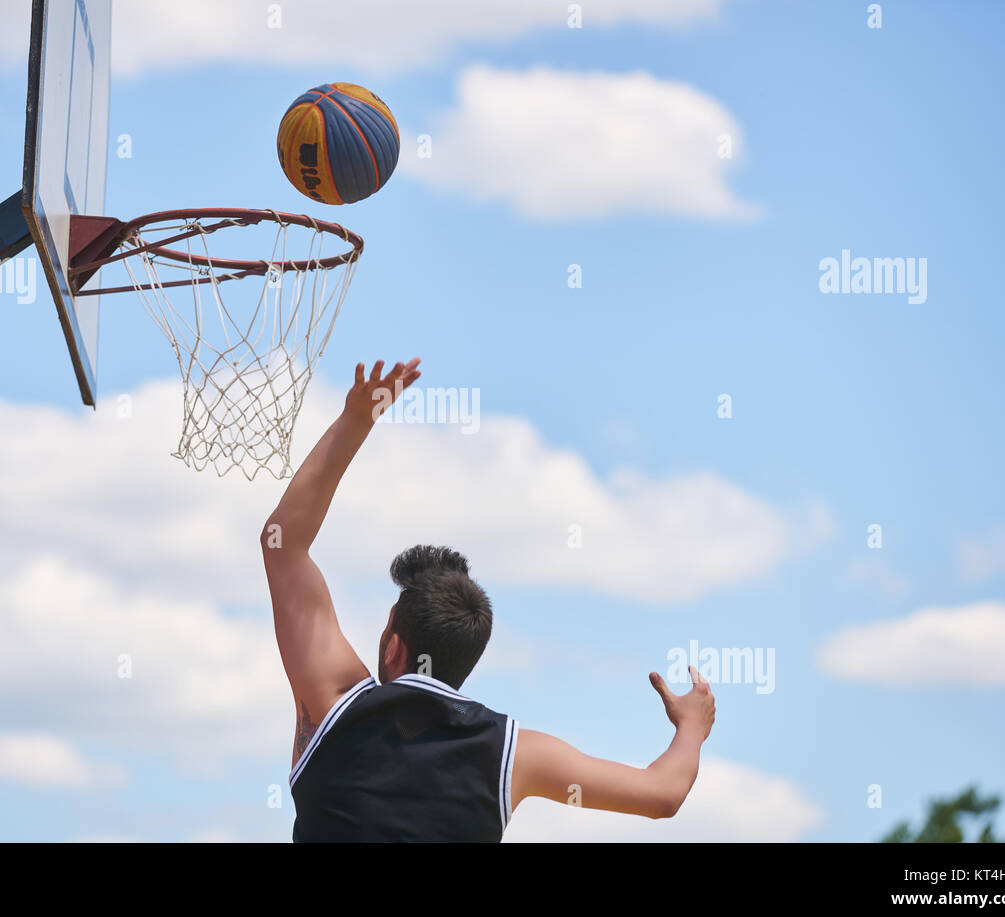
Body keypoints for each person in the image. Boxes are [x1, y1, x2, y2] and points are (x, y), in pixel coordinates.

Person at [261, 357, 716, 842]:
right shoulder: (513, 753)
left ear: (394, 644)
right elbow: (662, 793)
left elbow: (282, 544)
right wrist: (691, 726)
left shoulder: (334, 703)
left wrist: (357, 420)